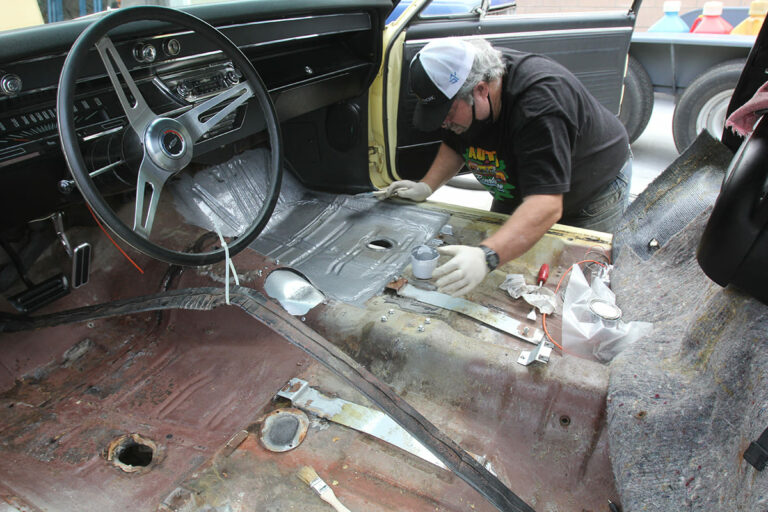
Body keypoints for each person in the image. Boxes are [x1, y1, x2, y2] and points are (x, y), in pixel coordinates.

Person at [382, 38, 631, 297]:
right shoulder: (468, 96)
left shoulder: (541, 103)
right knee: (504, 275)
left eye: (447, 112)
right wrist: (426, 186)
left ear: (480, 90)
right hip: (521, 187)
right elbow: (456, 142)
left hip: (591, 188)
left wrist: (487, 256)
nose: (443, 123)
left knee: (573, 285)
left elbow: (546, 205)